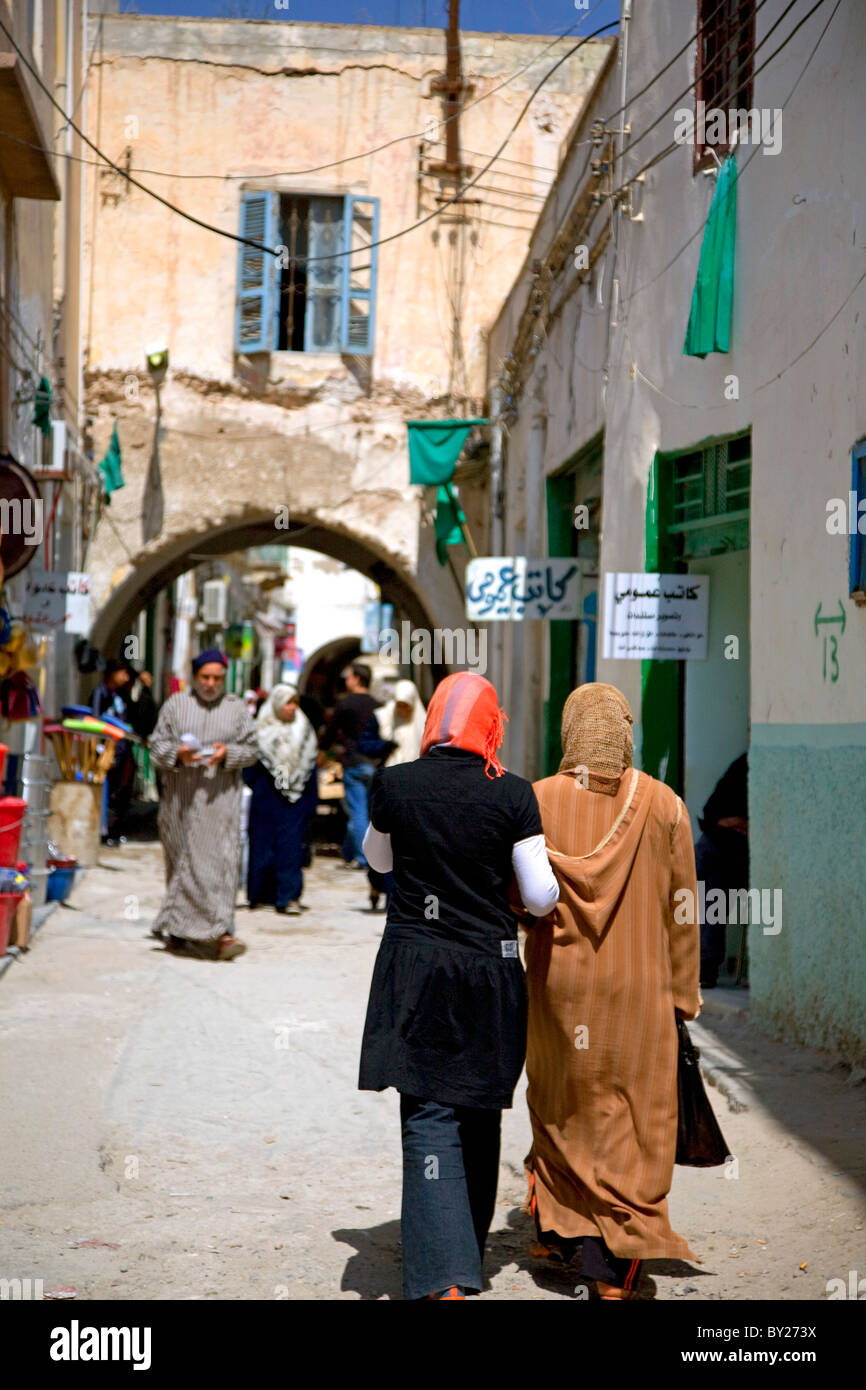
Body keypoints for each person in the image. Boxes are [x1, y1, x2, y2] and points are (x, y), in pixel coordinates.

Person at [358, 671, 559, 1300]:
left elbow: (379, 860)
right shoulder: (514, 794)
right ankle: (460, 1258)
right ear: (490, 723)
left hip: (417, 965)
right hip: (489, 969)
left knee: (428, 1109)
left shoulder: (396, 782)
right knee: (476, 1105)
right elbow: (541, 896)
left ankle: (444, 1275)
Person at [523, 683, 701, 1300]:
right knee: (633, 1116)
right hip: (641, 991)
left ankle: (560, 1230)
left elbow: (517, 898)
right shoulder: (665, 804)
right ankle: (613, 1268)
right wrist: (684, 994)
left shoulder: (537, 801)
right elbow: (682, 911)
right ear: (624, 730)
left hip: (556, 988)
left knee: (562, 1105)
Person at [148, 648, 258, 961]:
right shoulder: (176, 705)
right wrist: (177, 754)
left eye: (217, 678)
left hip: (220, 800)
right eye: (205, 677)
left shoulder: (236, 710)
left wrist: (228, 755)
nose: (211, 684)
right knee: (182, 862)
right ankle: (179, 931)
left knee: (217, 865)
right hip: (180, 801)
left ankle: (221, 932)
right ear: (195, 677)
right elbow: (156, 746)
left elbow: (252, 750)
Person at [244, 683, 319, 915]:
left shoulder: (304, 730)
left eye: (295, 703)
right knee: (262, 844)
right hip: (266, 796)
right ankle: (261, 894)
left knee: (291, 847)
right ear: (276, 704)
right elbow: (248, 768)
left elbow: (311, 767)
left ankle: (288, 896)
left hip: (296, 800)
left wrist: (311, 800)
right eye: (287, 703)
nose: (292, 708)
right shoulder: (260, 730)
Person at [356, 679, 427, 910]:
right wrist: (386, 745)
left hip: (417, 786)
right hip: (387, 785)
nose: (402, 710)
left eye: (407, 705)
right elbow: (365, 744)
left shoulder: (424, 722)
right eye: (399, 704)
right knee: (382, 838)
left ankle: (396, 895)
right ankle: (378, 885)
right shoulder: (381, 718)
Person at [694, 752, 748, 987]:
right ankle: (698, 963)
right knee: (702, 867)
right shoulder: (743, 765)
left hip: (738, 854)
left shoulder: (760, 766)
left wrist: (738, 823)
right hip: (719, 845)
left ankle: (705, 965)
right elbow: (711, 812)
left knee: (712, 885)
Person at [319, 661, 379, 871]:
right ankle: (350, 851)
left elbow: (331, 732)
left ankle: (364, 858)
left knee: (357, 812)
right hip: (374, 762)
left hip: (353, 762)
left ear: (356, 679)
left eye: (349, 676)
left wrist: (323, 751)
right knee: (368, 812)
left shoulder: (346, 704)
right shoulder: (377, 704)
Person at [92, 658, 158, 844]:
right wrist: (101, 748)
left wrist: (145, 686)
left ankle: (113, 830)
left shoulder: (121, 695)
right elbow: (96, 721)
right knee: (108, 792)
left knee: (120, 793)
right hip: (107, 751)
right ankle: (104, 832)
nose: (126, 677)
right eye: (122, 673)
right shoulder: (101, 693)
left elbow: (142, 713)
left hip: (122, 750)